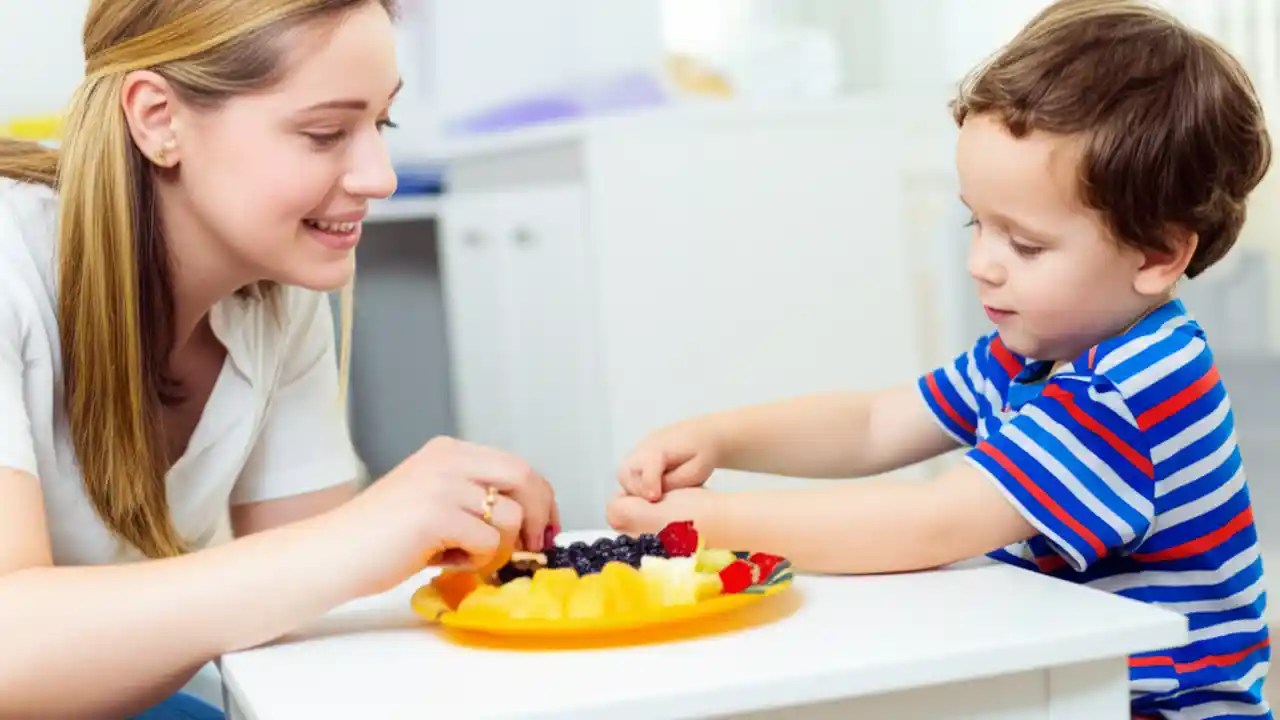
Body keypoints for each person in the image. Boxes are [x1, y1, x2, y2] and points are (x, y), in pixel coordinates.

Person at [607, 1, 1273, 716]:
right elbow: (874, 424)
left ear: (1157, 254)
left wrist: (712, 528)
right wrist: (721, 438)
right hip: (1067, 679)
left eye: (1025, 245)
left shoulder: (1131, 388)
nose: (981, 263)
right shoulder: (1032, 354)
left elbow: (932, 525)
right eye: (976, 222)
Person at [0, 1, 559, 717]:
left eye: (381, 123)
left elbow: (311, 606)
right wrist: (361, 534)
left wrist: (411, 539)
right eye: (325, 133)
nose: (380, 177)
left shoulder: (272, 286)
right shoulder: (13, 261)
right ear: (158, 119)